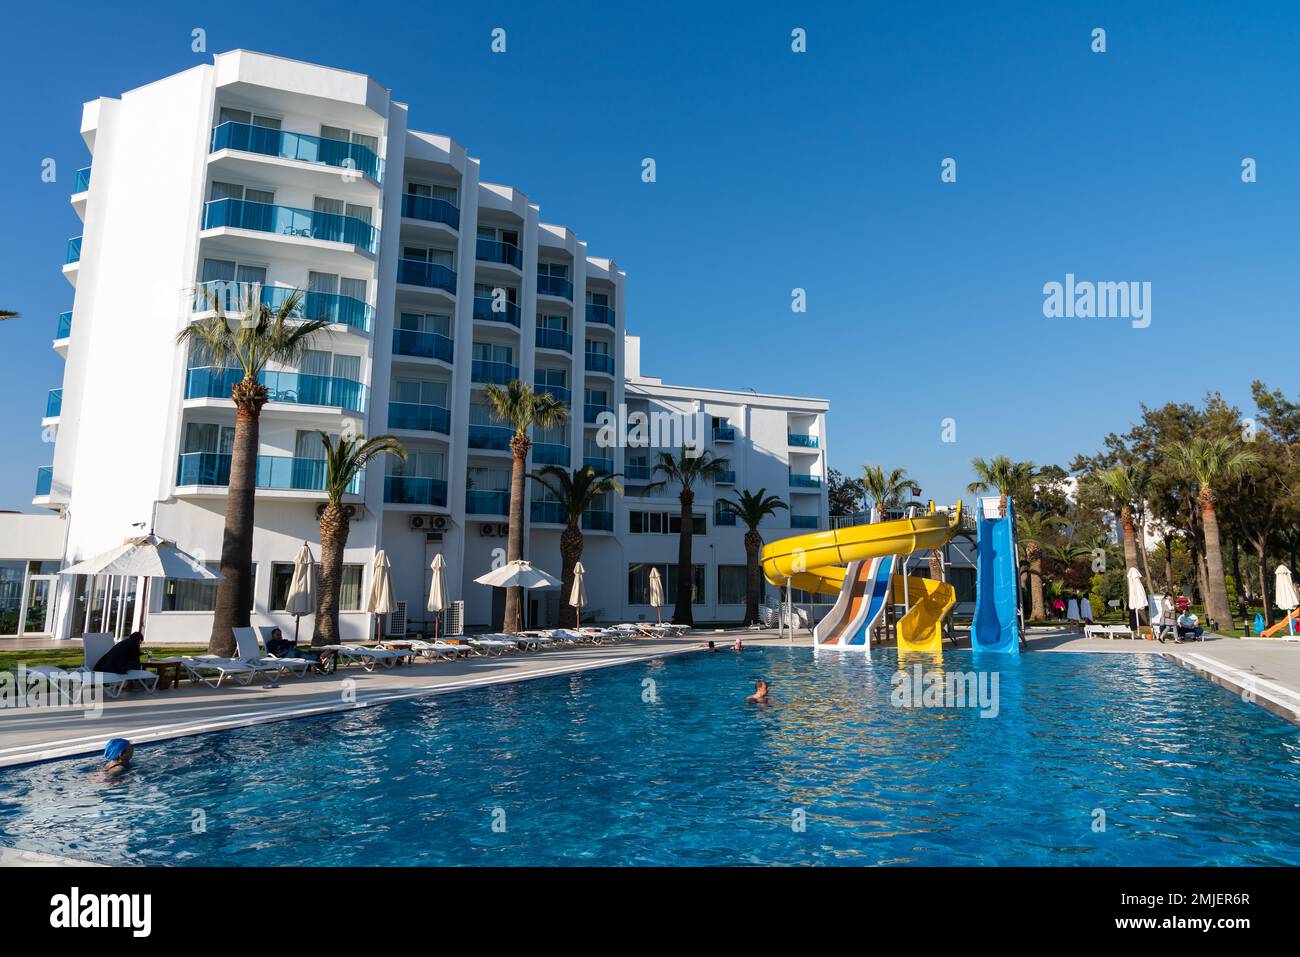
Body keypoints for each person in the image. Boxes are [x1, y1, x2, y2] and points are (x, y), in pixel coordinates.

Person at [264, 627, 337, 674]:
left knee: (304, 653)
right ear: (272, 635)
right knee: (301, 655)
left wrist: (287, 643)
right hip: (283, 656)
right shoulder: (270, 643)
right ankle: (320, 659)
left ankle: (320, 659)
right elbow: (274, 651)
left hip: (291, 652)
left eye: (280, 634)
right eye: (277, 635)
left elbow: (292, 643)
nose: (279, 636)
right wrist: (285, 644)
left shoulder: (283, 641)